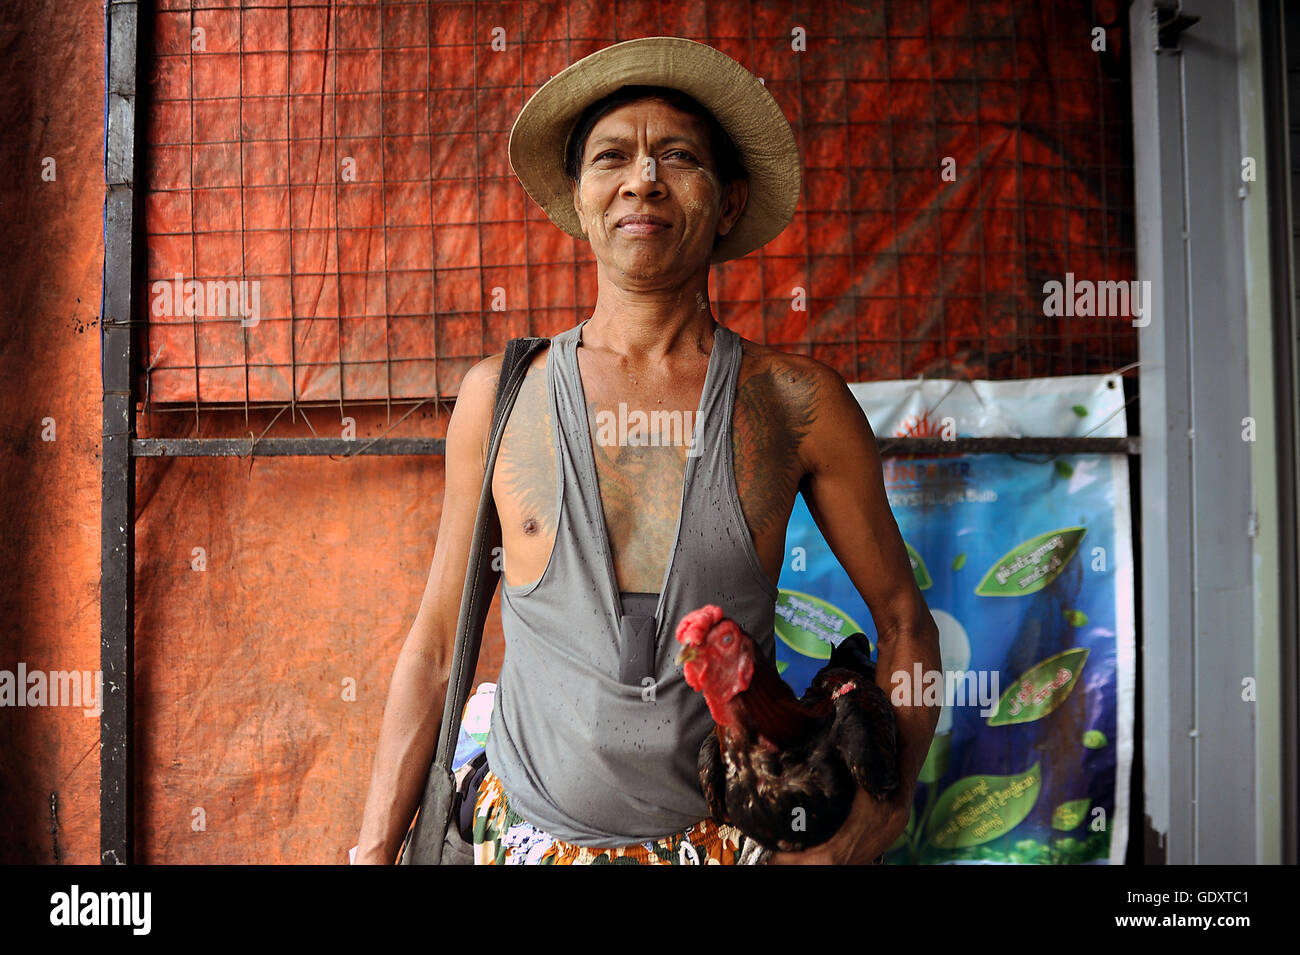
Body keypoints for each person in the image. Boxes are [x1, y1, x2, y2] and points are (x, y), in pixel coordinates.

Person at [354, 36, 941, 865]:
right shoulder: (503, 396)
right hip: (520, 841)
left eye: (677, 156)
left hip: (728, 847)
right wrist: (372, 848)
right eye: (612, 157)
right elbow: (438, 637)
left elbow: (906, 619)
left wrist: (875, 822)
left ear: (728, 201)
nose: (643, 179)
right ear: (581, 196)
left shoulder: (795, 402)